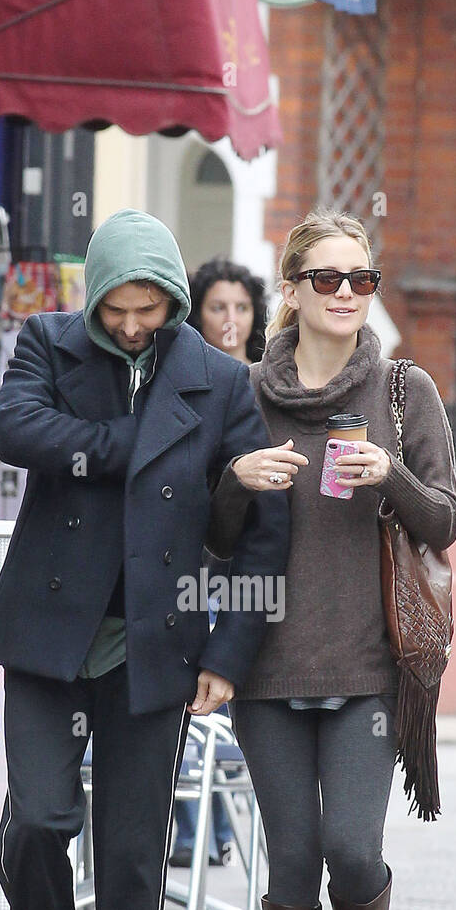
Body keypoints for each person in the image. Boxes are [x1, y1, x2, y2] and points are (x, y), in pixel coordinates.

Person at [0, 209, 289, 910]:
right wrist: (131, 450)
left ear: (178, 303)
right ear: (97, 294)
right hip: (46, 638)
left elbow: (264, 532)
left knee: (131, 859)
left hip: (158, 648)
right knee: (36, 825)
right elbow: (19, 432)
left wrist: (229, 652)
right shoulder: (48, 341)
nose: (135, 325)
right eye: (120, 309)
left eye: (153, 310)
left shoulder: (221, 381)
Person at [209, 208, 456, 910]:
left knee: (353, 851)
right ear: (292, 289)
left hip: (368, 665)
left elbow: (446, 522)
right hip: (268, 666)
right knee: (290, 860)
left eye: (363, 279)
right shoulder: (244, 393)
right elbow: (208, 530)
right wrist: (233, 482)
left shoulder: (405, 391)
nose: (349, 294)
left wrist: (389, 476)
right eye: (329, 279)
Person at [169, 258, 270, 868]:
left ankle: (214, 832)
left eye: (241, 308)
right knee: (185, 707)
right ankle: (189, 835)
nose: (230, 321)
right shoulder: (177, 382)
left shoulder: (259, 385)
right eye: (217, 308)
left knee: (217, 713)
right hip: (185, 570)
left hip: (235, 579)